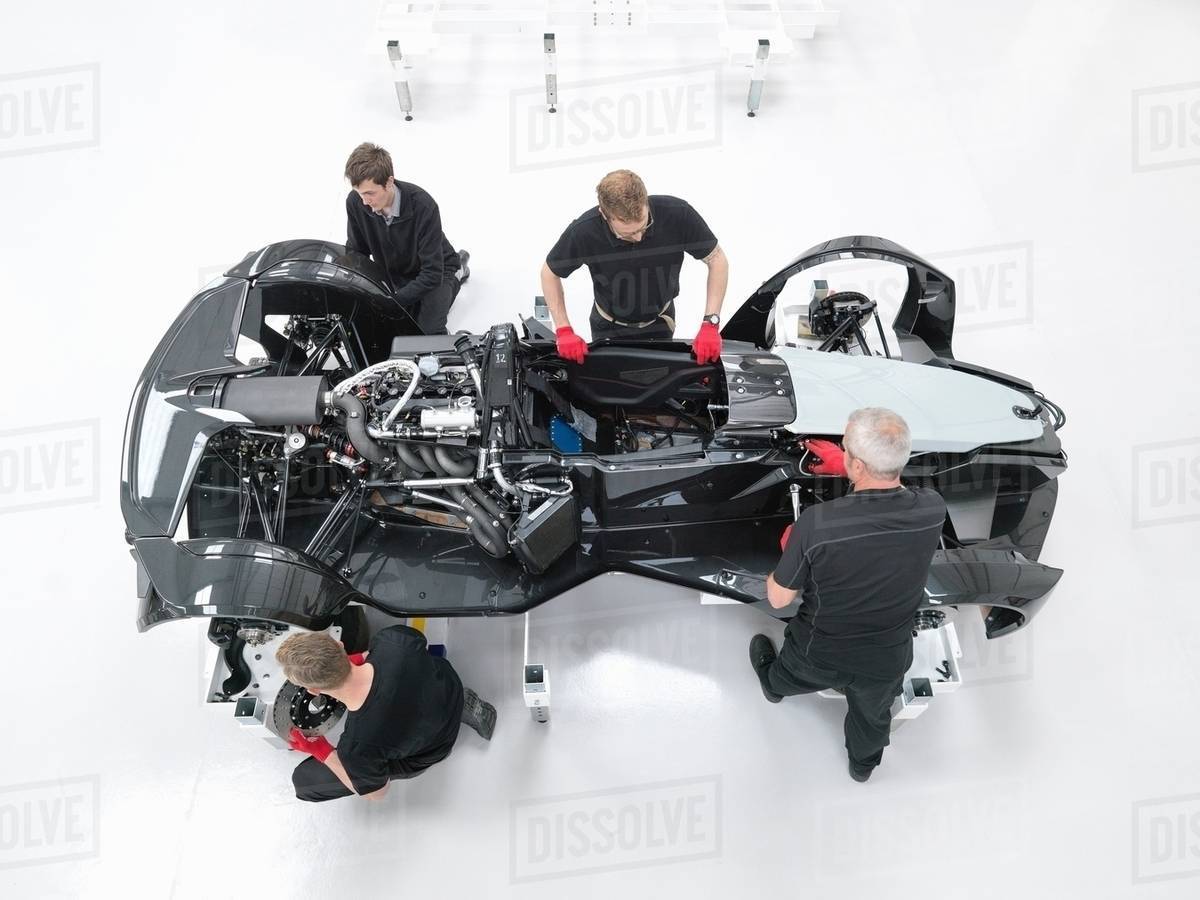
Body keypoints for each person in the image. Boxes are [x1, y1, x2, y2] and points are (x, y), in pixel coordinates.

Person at [749, 408, 947, 782]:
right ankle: (863, 767)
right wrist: (852, 465)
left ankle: (774, 688)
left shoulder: (816, 524)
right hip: (887, 656)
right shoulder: (933, 508)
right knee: (873, 718)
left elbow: (778, 599)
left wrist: (793, 548)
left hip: (819, 653)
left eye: (846, 451)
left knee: (784, 676)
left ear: (856, 464)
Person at [277, 625, 496, 802]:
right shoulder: (394, 639)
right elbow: (404, 650)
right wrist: (358, 659)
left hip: (433, 749)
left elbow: (378, 794)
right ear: (341, 646)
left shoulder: (357, 749)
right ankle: (466, 704)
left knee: (305, 782)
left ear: (313, 690)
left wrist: (324, 752)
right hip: (448, 690)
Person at [540, 169, 728, 365]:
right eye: (628, 234)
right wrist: (563, 330)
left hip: (660, 320)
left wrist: (710, 323)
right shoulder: (584, 231)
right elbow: (549, 273)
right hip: (608, 326)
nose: (638, 237)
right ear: (604, 214)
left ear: (646, 202)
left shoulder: (678, 214)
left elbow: (717, 259)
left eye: (643, 227)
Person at [344, 142, 470, 335]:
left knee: (424, 332)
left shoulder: (424, 206)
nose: (364, 201)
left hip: (437, 270)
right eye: (359, 193)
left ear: (389, 182)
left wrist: (394, 301)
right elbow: (356, 251)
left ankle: (458, 268)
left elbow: (432, 273)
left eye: (370, 193)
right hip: (396, 271)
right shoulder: (356, 203)